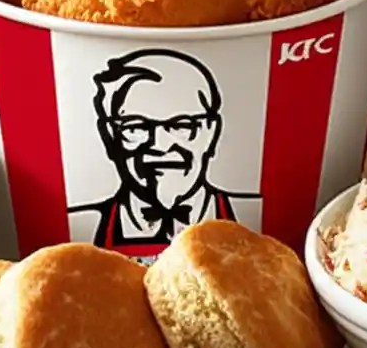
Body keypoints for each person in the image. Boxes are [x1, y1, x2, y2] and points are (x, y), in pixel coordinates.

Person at [68, 49, 259, 258]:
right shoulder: (81, 225)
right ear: (109, 136)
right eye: (136, 127)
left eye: (181, 125)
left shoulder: (252, 216)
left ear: (211, 132)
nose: (161, 145)